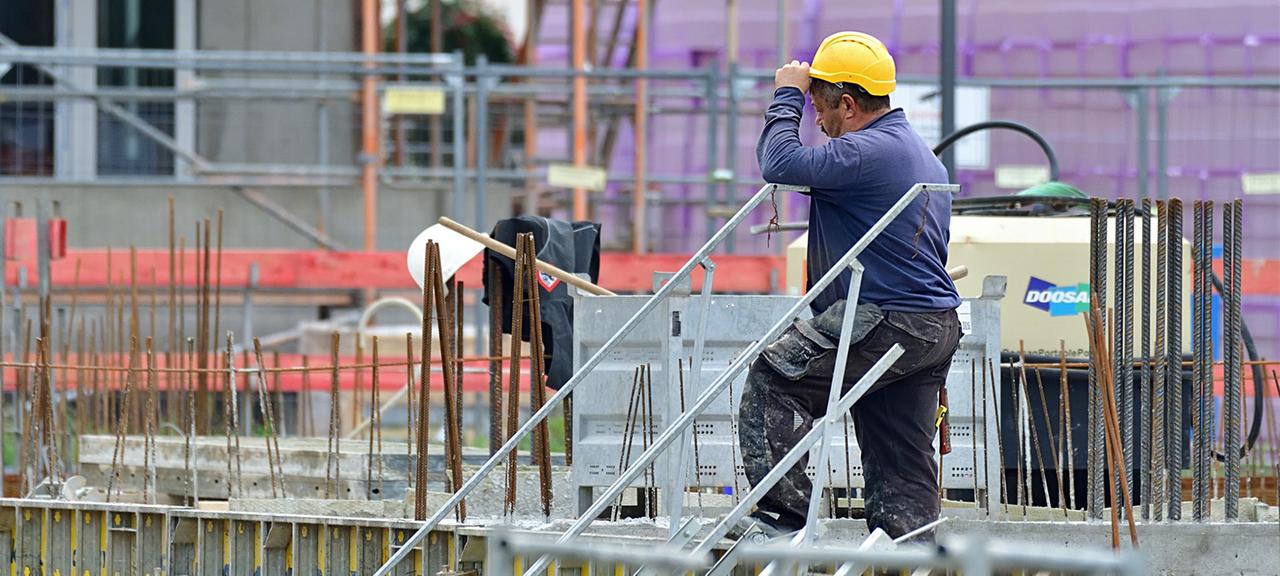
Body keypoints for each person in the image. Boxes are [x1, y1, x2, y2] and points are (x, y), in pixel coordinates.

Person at [737, 31, 963, 543]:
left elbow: (781, 164)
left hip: (887, 316)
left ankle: (782, 519)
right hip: (929, 325)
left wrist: (787, 94)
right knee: (898, 451)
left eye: (819, 107)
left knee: (775, 380)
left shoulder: (869, 151)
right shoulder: (918, 154)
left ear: (847, 102)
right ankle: (910, 547)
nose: (817, 120)